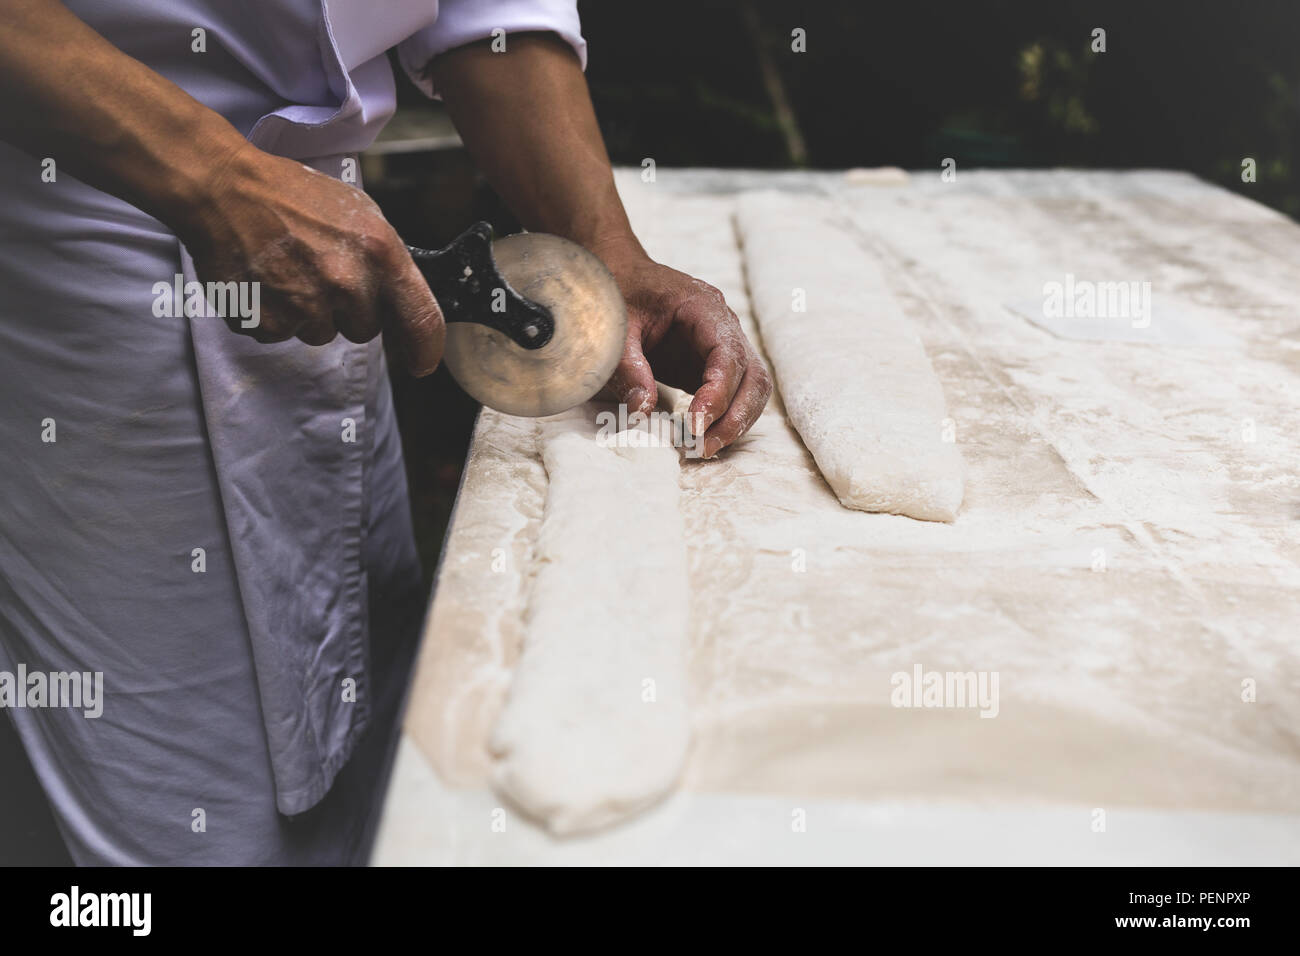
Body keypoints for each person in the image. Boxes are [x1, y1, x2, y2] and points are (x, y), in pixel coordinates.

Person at [0, 0, 771, 864]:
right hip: (91, 224)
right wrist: (213, 176)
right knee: (205, 819)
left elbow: (490, 13)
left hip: (325, 228)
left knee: (377, 756)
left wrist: (603, 252)